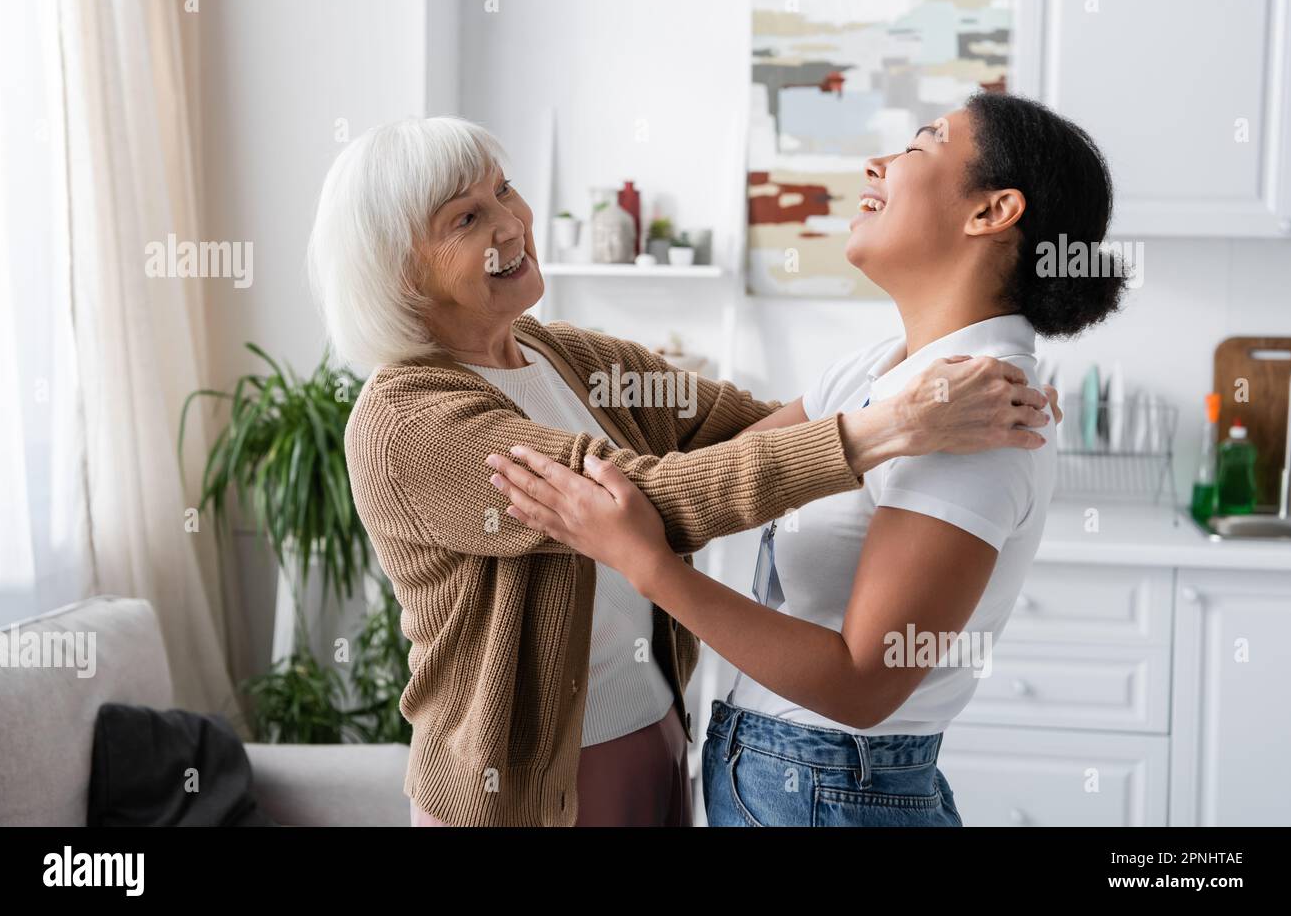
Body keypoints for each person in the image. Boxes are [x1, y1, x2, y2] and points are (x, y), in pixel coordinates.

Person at [307, 112, 1058, 827]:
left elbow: (739, 435)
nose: (510, 222)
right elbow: (636, 503)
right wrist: (893, 423)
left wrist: (933, 389)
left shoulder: (566, 355)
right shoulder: (408, 422)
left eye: (503, 189)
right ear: (401, 272)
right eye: (465, 218)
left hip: (659, 745)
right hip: (523, 786)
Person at [486, 92, 1127, 826]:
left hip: (827, 787)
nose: (877, 162)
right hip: (788, 775)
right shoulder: (878, 375)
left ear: (991, 212)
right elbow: (731, 474)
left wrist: (650, 567)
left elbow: (862, 685)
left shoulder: (981, 418)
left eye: (920, 146)